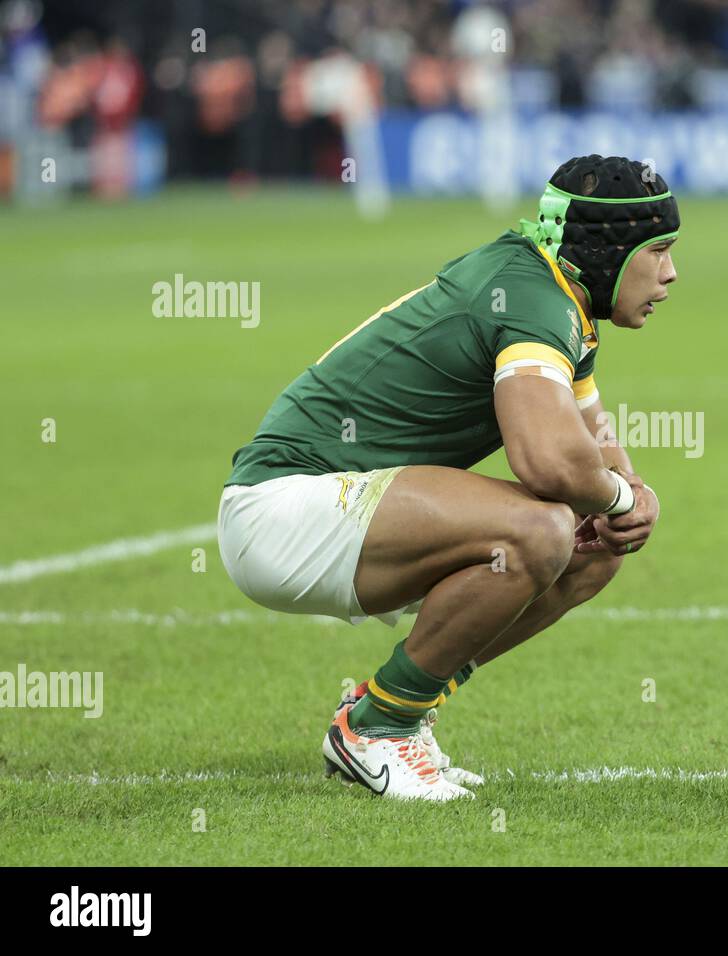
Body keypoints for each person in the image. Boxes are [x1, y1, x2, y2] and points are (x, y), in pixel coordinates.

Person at [217, 154, 680, 800]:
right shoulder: (531, 297)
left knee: (591, 547)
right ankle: (377, 729)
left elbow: (595, 450)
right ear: (609, 249)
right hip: (282, 505)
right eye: (658, 250)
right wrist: (623, 496)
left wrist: (633, 497)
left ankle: (398, 708)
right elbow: (547, 460)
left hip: (340, 507)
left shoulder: (554, 295)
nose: (671, 272)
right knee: (543, 528)